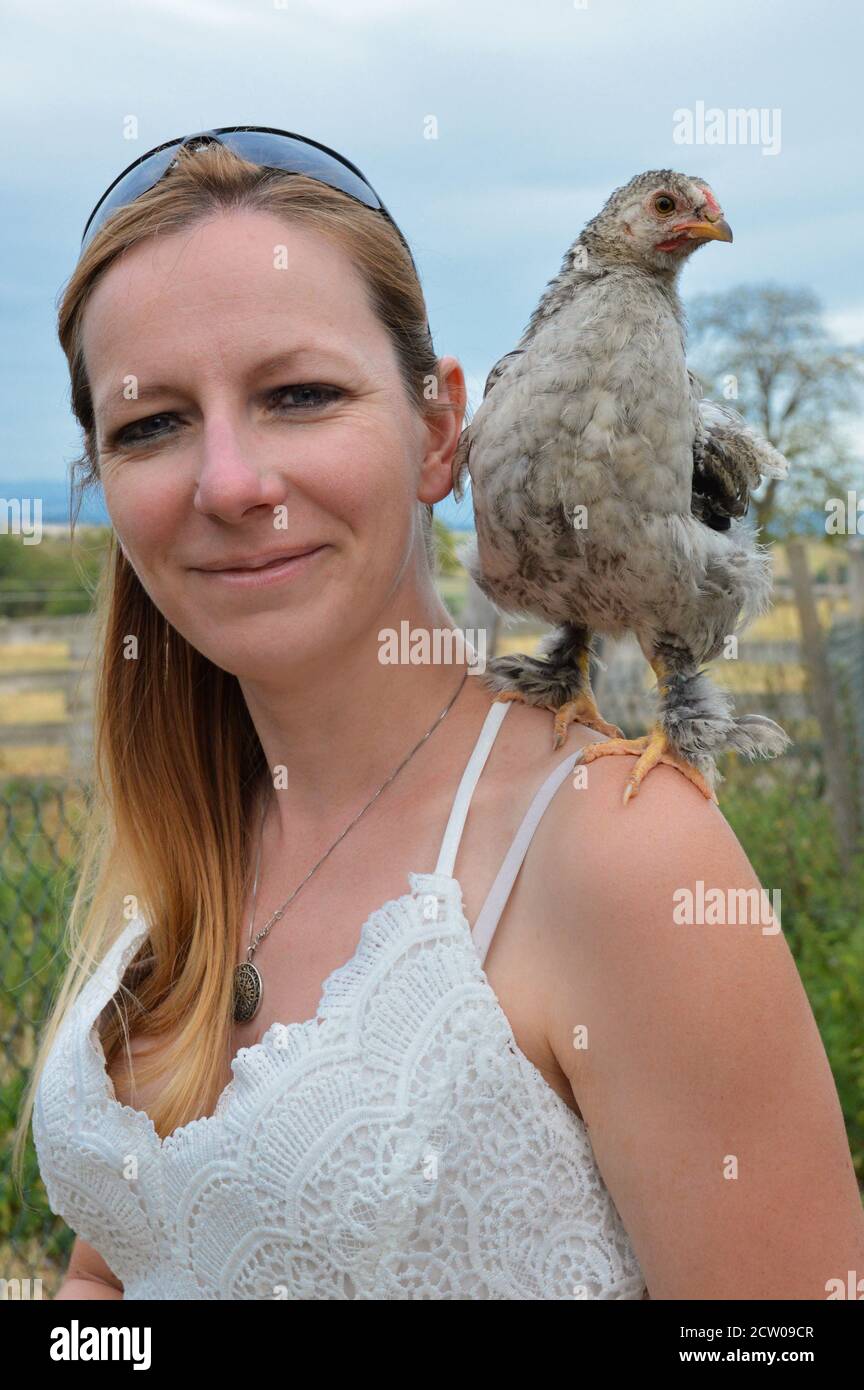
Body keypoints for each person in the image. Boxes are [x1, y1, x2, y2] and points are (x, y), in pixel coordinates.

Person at [16, 129, 864, 1301]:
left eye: (298, 394)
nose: (226, 482)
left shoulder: (620, 854)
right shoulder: (188, 841)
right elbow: (124, 1265)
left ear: (436, 431)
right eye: (150, 423)